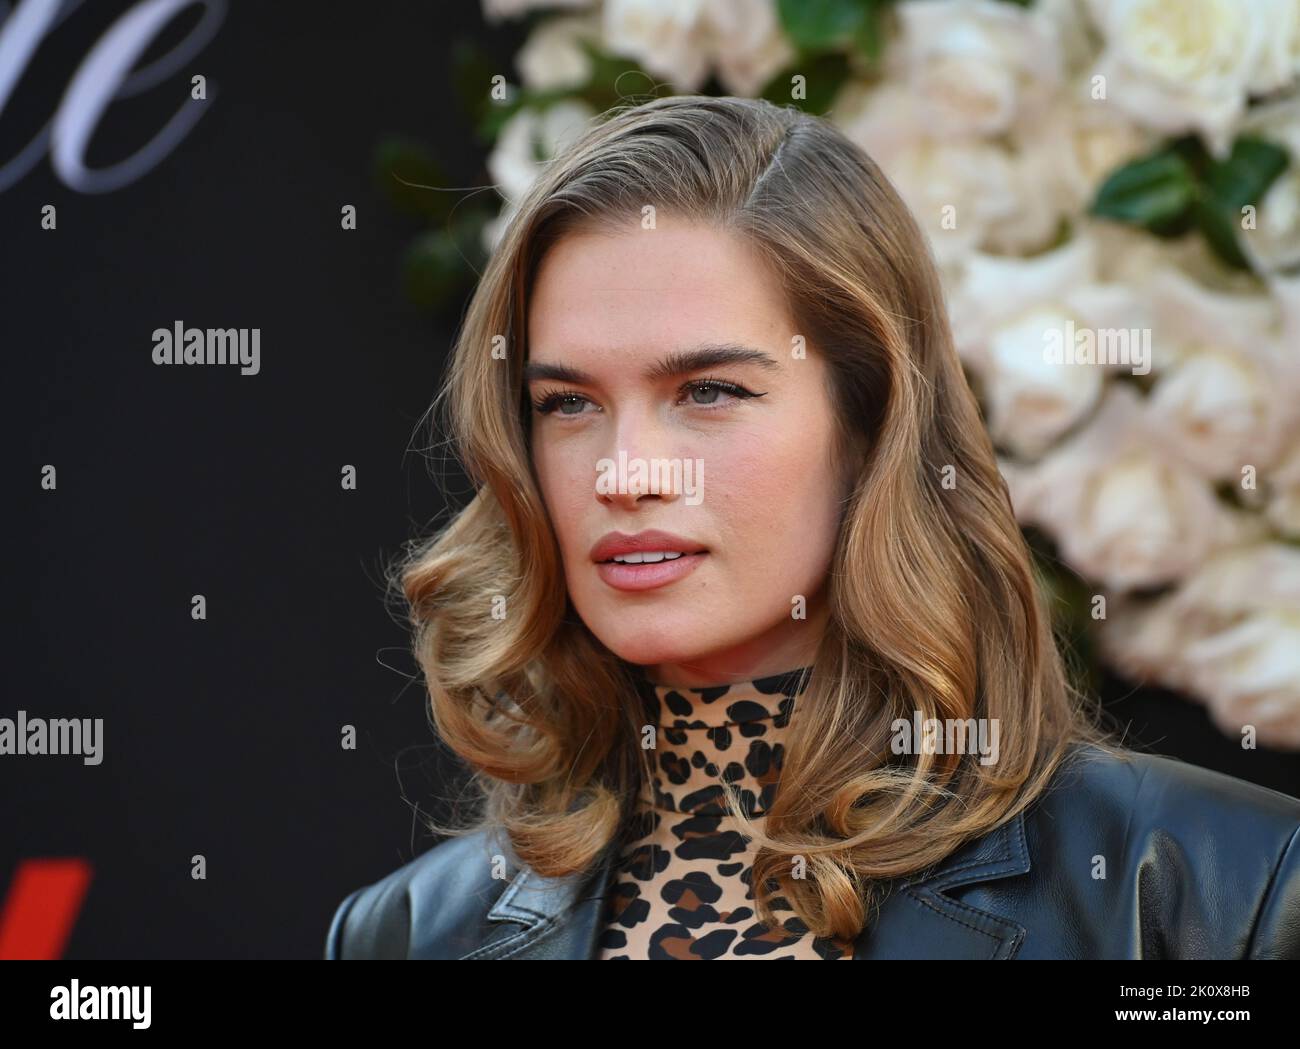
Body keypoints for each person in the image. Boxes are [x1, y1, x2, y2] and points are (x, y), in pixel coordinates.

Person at [325, 95, 1300, 960]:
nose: (624, 475)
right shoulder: (407, 932)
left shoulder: (1210, 892)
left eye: (708, 390)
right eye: (567, 404)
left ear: (870, 419)